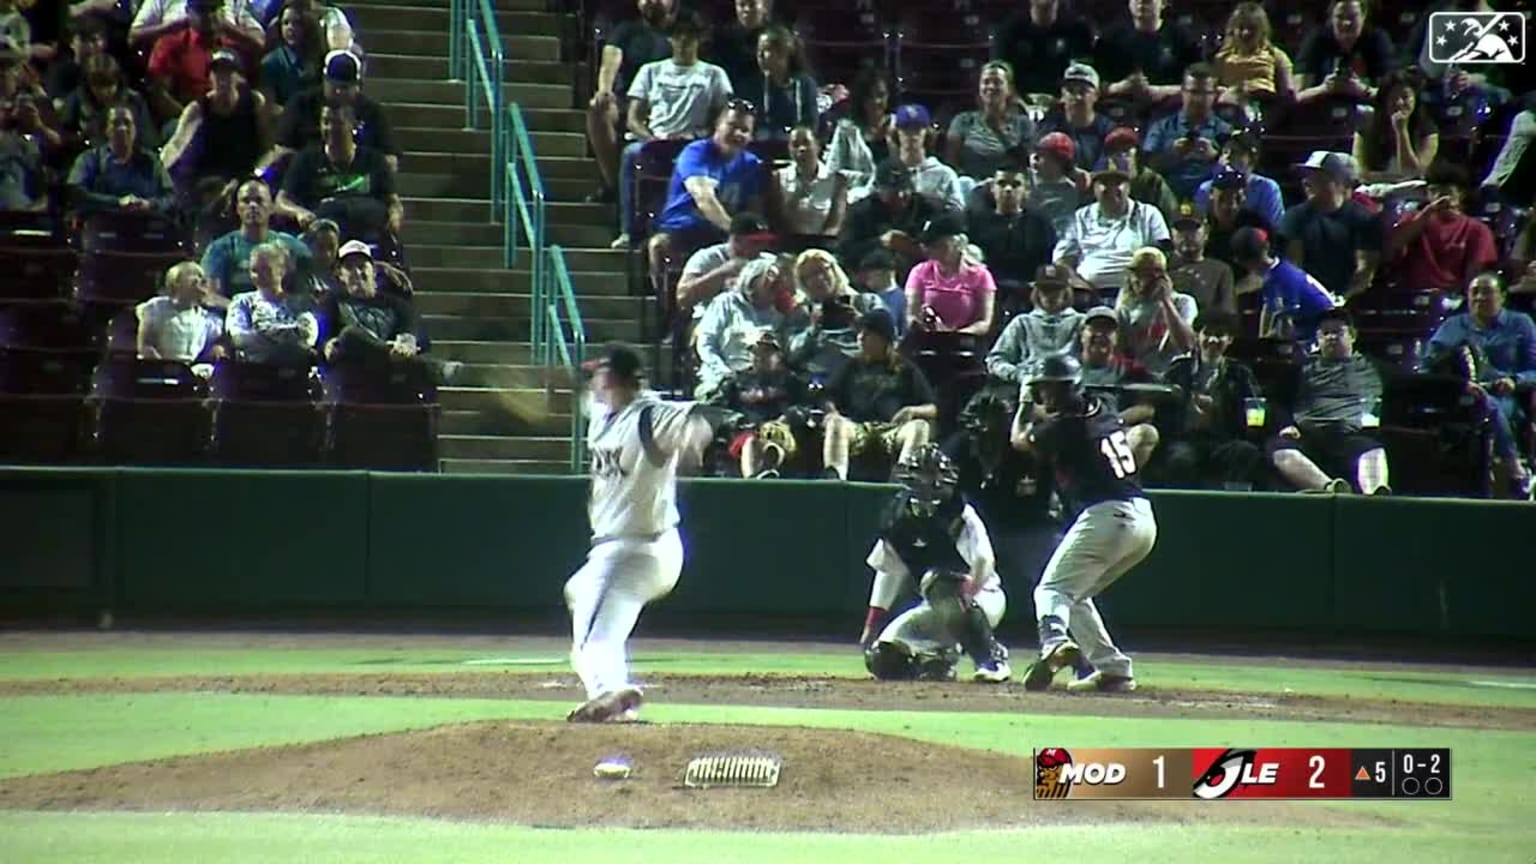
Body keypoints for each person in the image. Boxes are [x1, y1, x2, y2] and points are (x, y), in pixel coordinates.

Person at [564, 343, 718, 723]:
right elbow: (587, 398)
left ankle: (608, 692)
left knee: (590, 641)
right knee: (578, 591)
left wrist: (695, 437)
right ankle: (615, 708)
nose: (593, 382)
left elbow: (699, 420)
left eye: (598, 374)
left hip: (633, 550)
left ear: (613, 378)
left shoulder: (649, 415)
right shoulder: (602, 410)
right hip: (634, 550)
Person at [1011, 353, 1158, 693]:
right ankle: (1113, 669)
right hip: (1142, 520)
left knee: (1051, 590)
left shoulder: (1064, 427)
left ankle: (1053, 643)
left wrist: (1022, 406)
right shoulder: (1102, 406)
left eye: (1049, 388)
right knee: (1074, 595)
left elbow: (1020, 441)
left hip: (1107, 515)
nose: (1044, 394)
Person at [859, 444, 1012, 683]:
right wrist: (872, 624)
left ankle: (991, 658)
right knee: (883, 659)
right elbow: (888, 572)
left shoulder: (959, 512)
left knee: (939, 581)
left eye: (934, 476)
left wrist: (969, 592)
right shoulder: (897, 517)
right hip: (934, 604)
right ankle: (938, 659)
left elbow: (985, 560)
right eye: (922, 475)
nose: (929, 483)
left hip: (982, 598)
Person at [612, 10, 732, 248]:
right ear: (670, 38)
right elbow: (633, 118)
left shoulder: (714, 74)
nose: (684, 41)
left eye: (690, 36)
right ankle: (628, 231)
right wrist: (651, 138)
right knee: (630, 154)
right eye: (679, 35)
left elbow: (723, 115)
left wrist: (702, 137)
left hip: (695, 144)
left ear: (699, 39)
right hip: (655, 141)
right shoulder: (651, 71)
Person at [1426, 272, 1536, 497]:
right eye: (1474, 292)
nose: (1479, 298)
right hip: (1459, 391)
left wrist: (1515, 381)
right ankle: (1515, 468)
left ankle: (1510, 468)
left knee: (1489, 403)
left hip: (1503, 393)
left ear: (1503, 296)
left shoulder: (1520, 324)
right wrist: (1457, 384)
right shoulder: (1452, 326)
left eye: (1487, 292)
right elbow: (1429, 365)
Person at [1267, 308, 1390, 494]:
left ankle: (1375, 496)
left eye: (1338, 332)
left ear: (1353, 336)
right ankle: (1331, 488)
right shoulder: (1300, 369)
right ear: (1317, 339)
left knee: (1373, 450)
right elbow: (1275, 401)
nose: (1331, 337)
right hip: (1307, 436)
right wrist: (1285, 424)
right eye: (1325, 333)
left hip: (1353, 436)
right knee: (1279, 450)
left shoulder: (1376, 368)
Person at [648, 99, 764, 275]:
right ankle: (663, 301)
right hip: (683, 228)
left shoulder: (750, 163)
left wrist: (752, 236)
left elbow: (753, 207)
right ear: (717, 125)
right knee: (658, 245)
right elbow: (704, 199)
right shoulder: (695, 152)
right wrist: (735, 231)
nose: (738, 134)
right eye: (732, 126)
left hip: (723, 235)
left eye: (745, 130)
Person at [822, 308, 937, 480]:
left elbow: (932, 407)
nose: (860, 337)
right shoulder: (851, 366)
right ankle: (836, 478)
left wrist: (912, 411)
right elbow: (827, 396)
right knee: (836, 424)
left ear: (883, 339)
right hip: (857, 428)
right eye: (860, 333)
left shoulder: (906, 369)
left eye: (867, 334)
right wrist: (832, 412)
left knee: (920, 427)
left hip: (891, 431)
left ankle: (902, 481)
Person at [1161, 311, 1267, 490]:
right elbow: (1161, 407)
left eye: (1219, 335)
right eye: (1207, 333)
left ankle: (1234, 507)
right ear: (1197, 336)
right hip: (1186, 439)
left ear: (1230, 340)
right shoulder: (1179, 370)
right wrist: (1182, 402)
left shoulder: (1240, 372)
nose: (1212, 340)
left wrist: (1221, 409)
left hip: (1224, 439)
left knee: (1246, 452)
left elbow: (1257, 410)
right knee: (1180, 458)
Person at [583, 0, 676, 204]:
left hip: (668, 102)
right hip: (628, 99)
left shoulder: (681, 30)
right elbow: (611, 59)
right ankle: (615, 186)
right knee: (598, 110)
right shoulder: (627, 29)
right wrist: (605, 90)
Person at [1053, 164, 1172, 298]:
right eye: (1104, 183)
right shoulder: (1081, 216)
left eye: (1118, 183)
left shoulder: (1149, 213)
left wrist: (1141, 283)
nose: (1112, 189)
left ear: (1128, 188)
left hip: (1138, 291)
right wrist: (1076, 282)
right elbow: (1062, 259)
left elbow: (1161, 253)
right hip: (1088, 293)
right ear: (1094, 189)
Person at [1280, 151, 1380, 301]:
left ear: (1337, 181)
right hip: (1307, 300)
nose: (1306, 182)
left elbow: (1365, 270)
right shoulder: (1295, 217)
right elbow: (1295, 267)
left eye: (1316, 176)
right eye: (1305, 176)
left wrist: (1340, 298)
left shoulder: (1363, 218)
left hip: (1352, 303)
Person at [1387, 163, 1498, 294]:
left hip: (1453, 297)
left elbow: (1474, 274)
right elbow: (1393, 245)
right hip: (1410, 294)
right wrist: (1427, 213)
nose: (1440, 196)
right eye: (1434, 191)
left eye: (1447, 192)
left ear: (1460, 194)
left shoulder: (1478, 230)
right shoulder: (1414, 220)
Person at [1231, 225, 1342, 343]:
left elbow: (1286, 328)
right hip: (1304, 327)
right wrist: (1261, 340)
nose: (1255, 264)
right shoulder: (1270, 274)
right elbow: (1268, 310)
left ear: (1266, 248)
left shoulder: (1285, 278)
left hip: (1322, 330)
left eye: (1255, 258)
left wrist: (1266, 343)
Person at [718, 330, 806, 478]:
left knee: (774, 441)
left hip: (780, 433)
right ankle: (755, 481)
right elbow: (721, 410)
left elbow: (804, 408)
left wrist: (787, 418)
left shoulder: (791, 381)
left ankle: (766, 473)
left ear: (779, 356)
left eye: (767, 352)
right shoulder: (737, 380)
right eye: (756, 352)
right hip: (745, 433)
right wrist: (737, 422)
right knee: (752, 441)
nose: (760, 357)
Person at [1142, 64, 1232, 201]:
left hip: (1212, 198)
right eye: (1193, 92)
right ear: (1183, 92)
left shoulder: (1225, 130)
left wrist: (1214, 157)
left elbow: (1237, 171)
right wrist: (1172, 155)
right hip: (1166, 196)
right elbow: (1146, 169)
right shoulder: (1161, 127)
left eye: (1205, 93)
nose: (1198, 99)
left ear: (1214, 95)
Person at [986, 264, 1084, 384]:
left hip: (1070, 384)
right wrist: (1019, 376)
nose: (1050, 296)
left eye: (1056, 290)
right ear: (1037, 291)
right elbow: (995, 359)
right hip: (1029, 383)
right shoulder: (1022, 322)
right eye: (1045, 290)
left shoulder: (1081, 322)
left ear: (1066, 291)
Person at [904, 213, 996, 336]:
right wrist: (922, 325)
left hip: (966, 343)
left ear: (957, 243)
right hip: (928, 340)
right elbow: (911, 314)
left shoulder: (981, 275)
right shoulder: (919, 272)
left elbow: (984, 322)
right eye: (929, 245)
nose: (931, 249)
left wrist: (955, 335)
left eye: (938, 245)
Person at [1093, 0, 1202, 104]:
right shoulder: (1110, 38)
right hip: (1120, 106)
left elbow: (1200, 84)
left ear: (1163, 3)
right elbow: (1094, 82)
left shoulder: (1182, 38)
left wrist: (1160, 91)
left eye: (1147, 0)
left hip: (1169, 106)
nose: (1141, 2)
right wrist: (1121, 87)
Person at [944, 61, 1036, 181]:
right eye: (986, 82)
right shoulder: (963, 121)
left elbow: (1029, 164)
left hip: (1009, 187)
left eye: (997, 82)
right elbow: (951, 164)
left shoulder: (1023, 125)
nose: (991, 87)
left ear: (1009, 89)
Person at [1114, 246, 1197, 378]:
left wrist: (1166, 301)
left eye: (1146, 274)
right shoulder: (1125, 307)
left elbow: (1186, 345)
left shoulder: (1183, 302)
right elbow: (1119, 349)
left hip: (1172, 375)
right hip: (1138, 376)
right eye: (1136, 273)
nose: (1139, 280)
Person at [1294, 0, 1397, 103]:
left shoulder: (1377, 40)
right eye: (1340, 17)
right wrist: (1324, 88)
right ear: (1332, 18)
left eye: (1352, 17)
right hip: (1322, 110)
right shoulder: (1316, 40)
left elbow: (1390, 95)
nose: (1346, 23)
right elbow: (1297, 96)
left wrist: (1360, 89)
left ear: (1363, 16)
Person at [992, 0, 1095, 98]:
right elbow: (1001, 75)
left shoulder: (1079, 30)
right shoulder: (1007, 31)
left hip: (1067, 104)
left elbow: (1083, 77)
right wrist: (1021, 104)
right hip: (1017, 104)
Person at [1352, 70, 1438, 182]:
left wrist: (1401, 131)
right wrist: (1395, 179)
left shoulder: (1427, 131)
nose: (1399, 103)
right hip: (1375, 191)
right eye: (1393, 98)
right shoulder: (1366, 128)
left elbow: (1414, 173)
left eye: (1405, 97)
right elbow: (1362, 174)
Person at [135, 260, 226, 364]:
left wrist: (218, 348)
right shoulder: (157, 308)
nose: (201, 281)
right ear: (176, 282)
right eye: (195, 275)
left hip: (189, 372)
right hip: (156, 369)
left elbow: (222, 340)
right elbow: (145, 345)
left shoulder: (205, 318)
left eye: (202, 277)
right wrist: (163, 367)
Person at [740, 23, 816, 142]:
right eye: (759, 50)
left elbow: (810, 123)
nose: (760, 55)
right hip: (759, 146)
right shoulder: (751, 85)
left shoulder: (804, 84)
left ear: (784, 53)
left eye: (767, 50)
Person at [826, 68, 893, 203]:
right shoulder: (846, 130)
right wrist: (867, 179)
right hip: (855, 200)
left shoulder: (898, 126)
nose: (876, 101)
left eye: (881, 95)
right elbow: (832, 172)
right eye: (870, 96)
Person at [1036, 62, 1115, 174]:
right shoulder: (1048, 126)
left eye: (1083, 91)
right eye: (1070, 91)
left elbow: (1110, 168)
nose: (1077, 97)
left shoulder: (1108, 129)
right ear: (1062, 95)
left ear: (1096, 95)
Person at [1213, 2, 1295, 106]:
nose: (1246, 33)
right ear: (1233, 30)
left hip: (1266, 108)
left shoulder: (1276, 56)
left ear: (1262, 30)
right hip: (1231, 109)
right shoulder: (1222, 58)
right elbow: (1211, 91)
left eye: (1252, 28)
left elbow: (1289, 93)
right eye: (1241, 28)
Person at [772, 125, 845, 238]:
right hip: (789, 243)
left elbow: (835, 223)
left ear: (817, 146)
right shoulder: (778, 178)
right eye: (795, 145)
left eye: (806, 143)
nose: (801, 149)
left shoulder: (837, 180)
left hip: (824, 243)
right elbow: (777, 220)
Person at [889, 103, 965, 212]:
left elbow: (958, 211)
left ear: (927, 132)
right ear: (896, 132)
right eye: (906, 129)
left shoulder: (944, 174)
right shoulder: (887, 171)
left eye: (917, 129)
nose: (912, 136)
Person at [1170, 206, 1236, 314]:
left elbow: (1227, 314)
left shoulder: (1220, 271)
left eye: (1193, 230)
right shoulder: (1159, 266)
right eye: (1181, 230)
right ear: (1171, 234)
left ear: (1206, 232)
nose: (1186, 236)